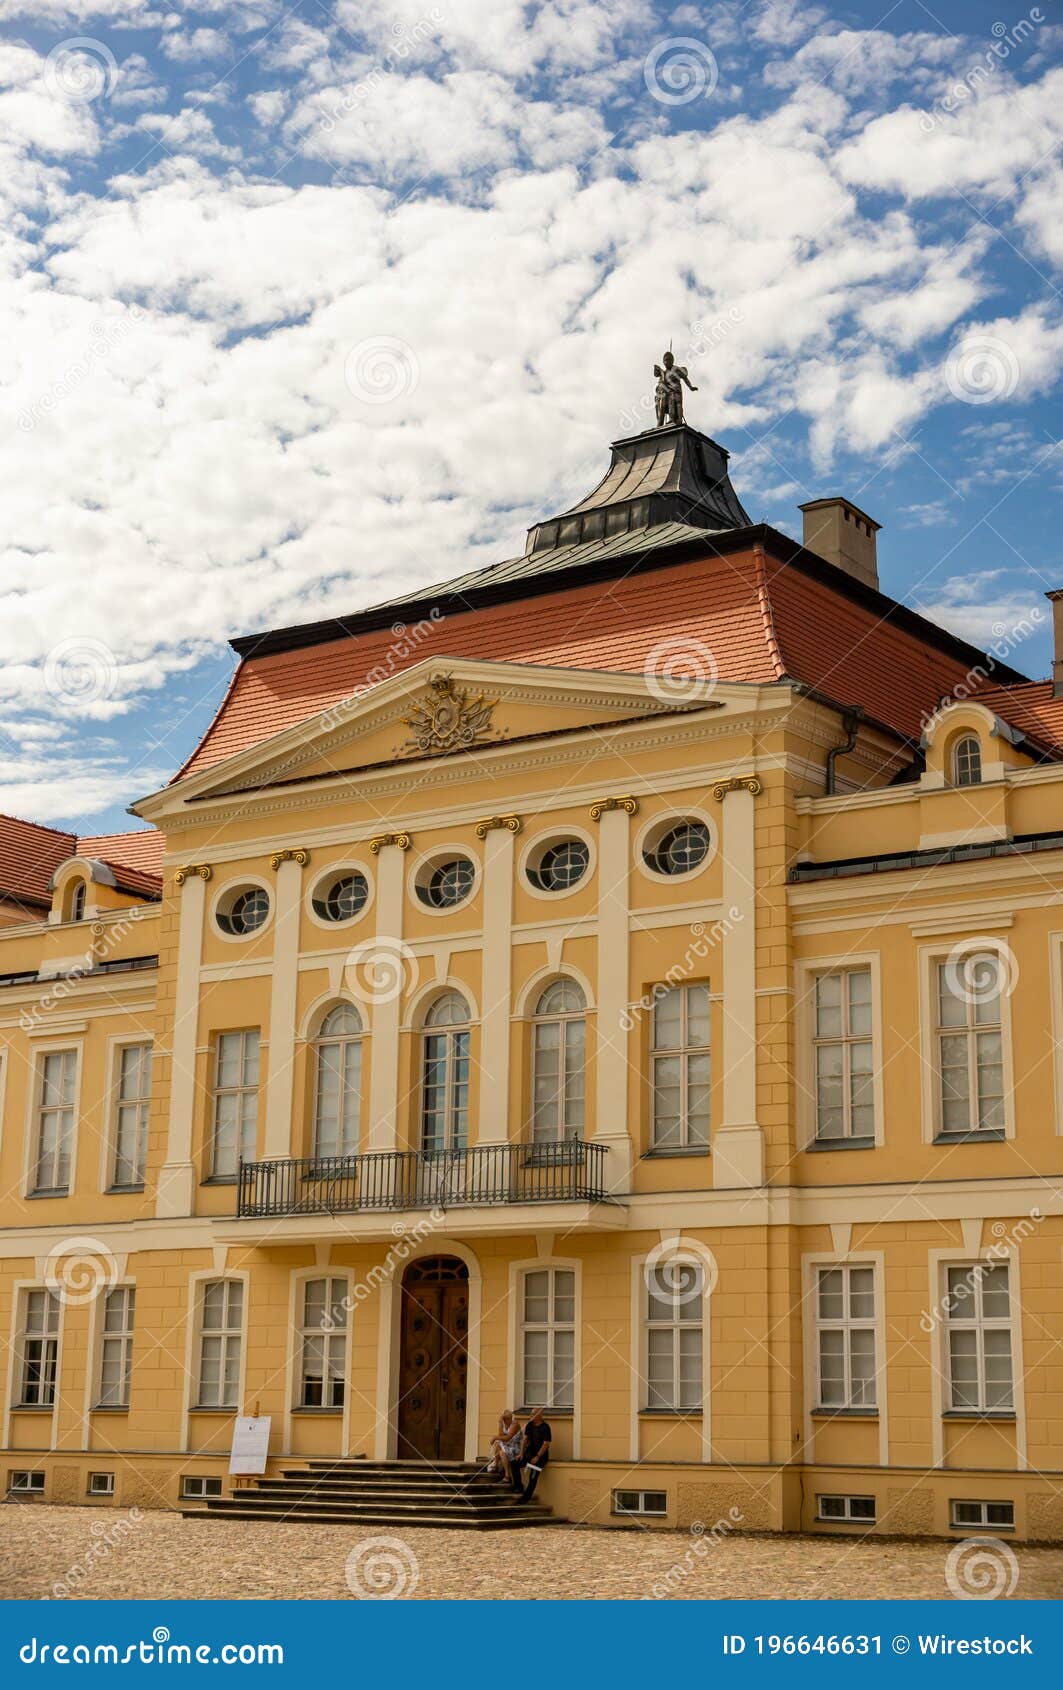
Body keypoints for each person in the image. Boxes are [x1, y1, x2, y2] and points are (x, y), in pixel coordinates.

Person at [514, 1406, 551, 1503]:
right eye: (531, 1413)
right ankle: (518, 1486)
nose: (531, 1415)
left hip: (540, 1457)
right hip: (529, 1453)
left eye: (534, 1414)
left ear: (540, 1415)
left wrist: (537, 1457)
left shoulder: (545, 1427)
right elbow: (525, 1439)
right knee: (515, 1463)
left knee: (533, 1478)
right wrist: (521, 1454)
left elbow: (546, 1444)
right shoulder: (530, 1425)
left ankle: (525, 1499)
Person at [487, 1410, 522, 1484]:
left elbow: (507, 1438)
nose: (505, 1421)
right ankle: (505, 1473)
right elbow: (501, 1435)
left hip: (515, 1448)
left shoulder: (514, 1424)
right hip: (507, 1446)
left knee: (499, 1445)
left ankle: (498, 1467)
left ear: (510, 1418)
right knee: (501, 1451)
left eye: (506, 1419)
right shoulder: (504, 1424)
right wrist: (500, 1423)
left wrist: (495, 1437)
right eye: (504, 1419)